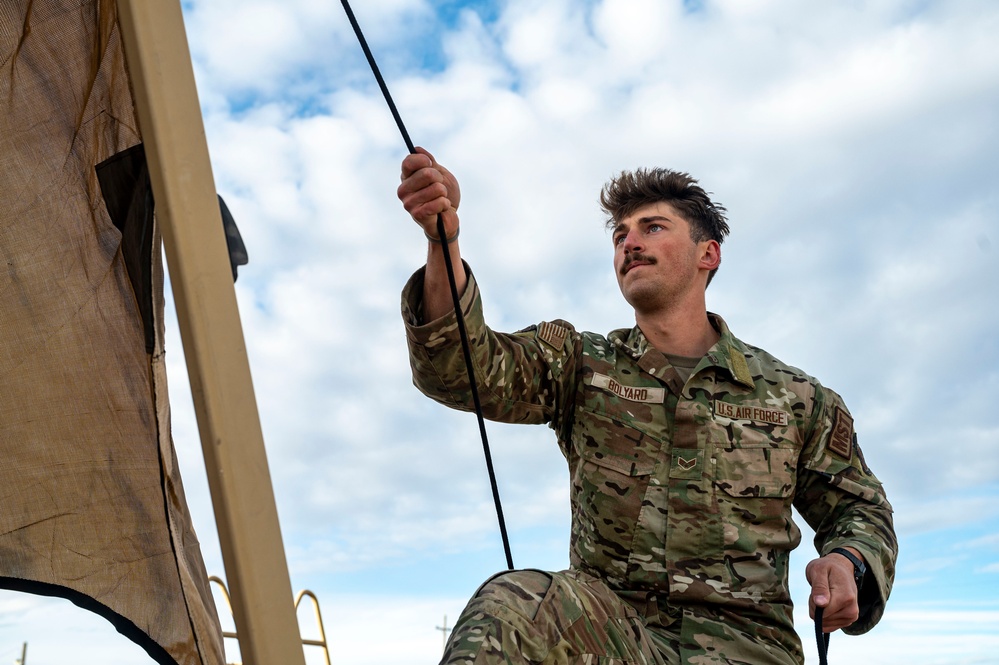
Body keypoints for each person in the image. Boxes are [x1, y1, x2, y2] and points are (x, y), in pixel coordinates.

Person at [397, 148, 897, 664]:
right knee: (515, 606)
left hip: (750, 650)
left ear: (709, 254)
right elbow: (458, 370)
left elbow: (860, 509)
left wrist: (849, 560)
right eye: (620, 235)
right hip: (613, 640)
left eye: (652, 227)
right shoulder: (582, 365)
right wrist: (444, 241)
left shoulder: (795, 398)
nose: (629, 242)